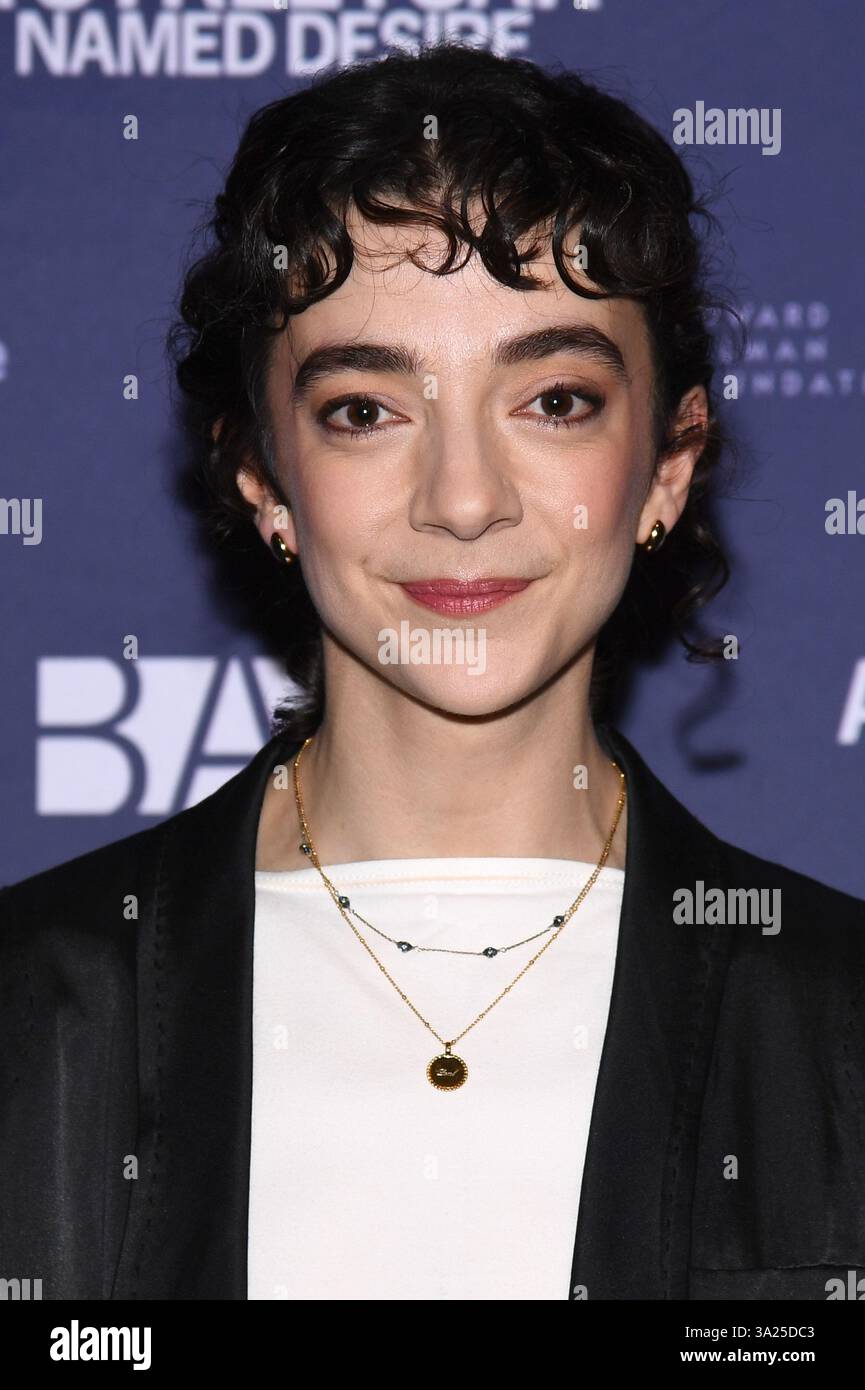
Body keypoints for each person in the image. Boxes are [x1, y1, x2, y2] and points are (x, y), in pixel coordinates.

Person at [1, 42, 864, 1303]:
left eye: (555, 399)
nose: (463, 500)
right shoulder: (32, 1012)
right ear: (261, 478)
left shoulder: (836, 1022)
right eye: (365, 408)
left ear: (668, 465)